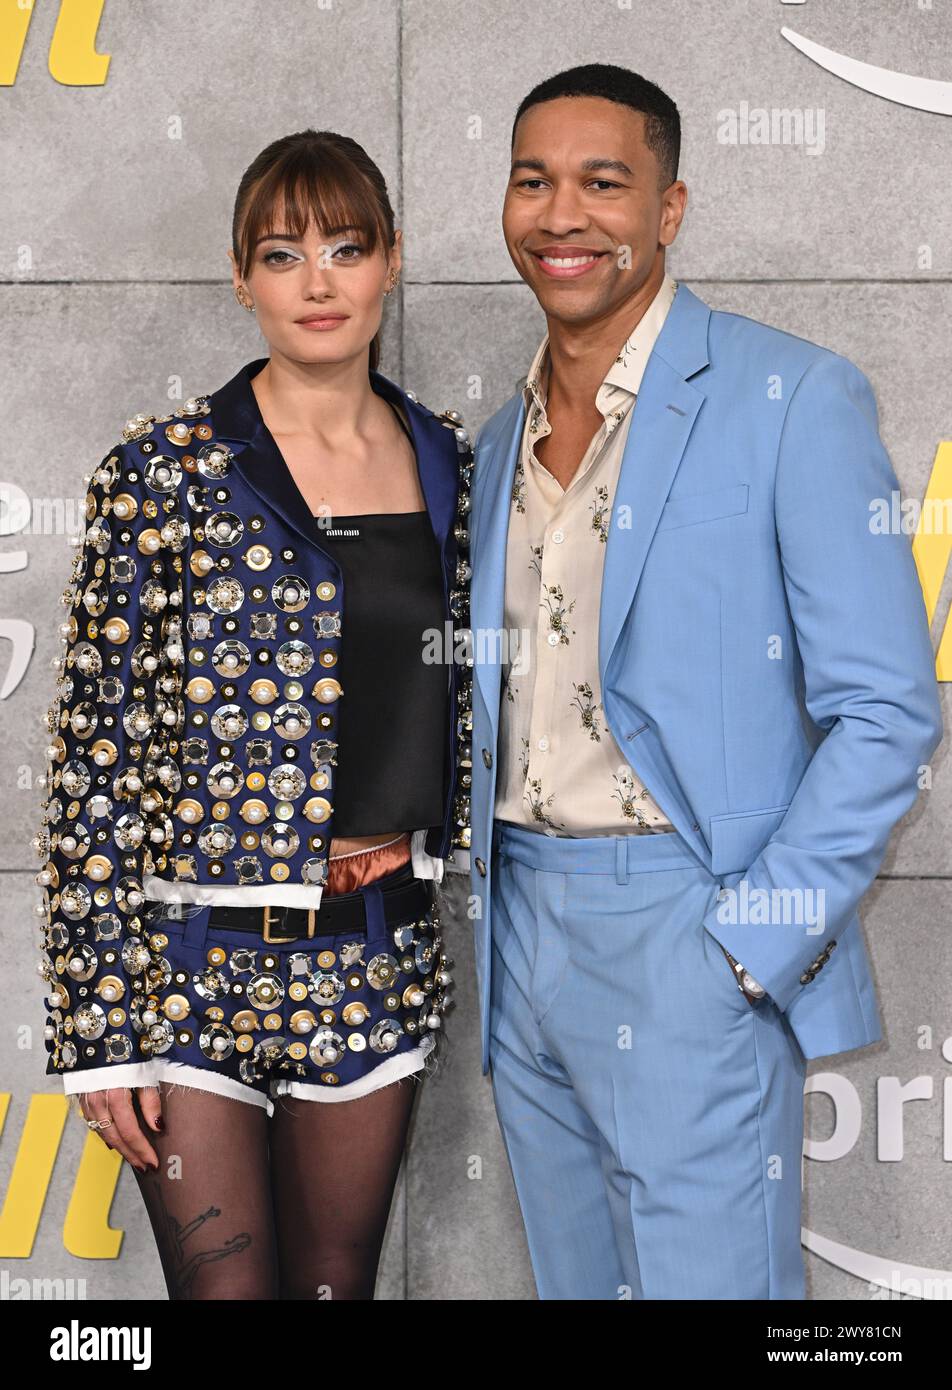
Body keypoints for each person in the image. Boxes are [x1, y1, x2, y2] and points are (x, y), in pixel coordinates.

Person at [467, 64, 943, 1299]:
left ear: (669, 209)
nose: (560, 214)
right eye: (533, 180)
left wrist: (750, 942)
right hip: (520, 925)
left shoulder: (790, 397)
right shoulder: (491, 444)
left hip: (686, 922)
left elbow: (886, 707)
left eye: (601, 182)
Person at [35, 128, 473, 1300]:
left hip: (375, 960)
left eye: (346, 247)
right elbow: (96, 758)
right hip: (189, 972)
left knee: (337, 1288)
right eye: (282, 254)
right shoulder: (162, 472)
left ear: (392, 260)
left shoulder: (449, 464)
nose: (317, 282)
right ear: (241, 277)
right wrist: (100, 1026)